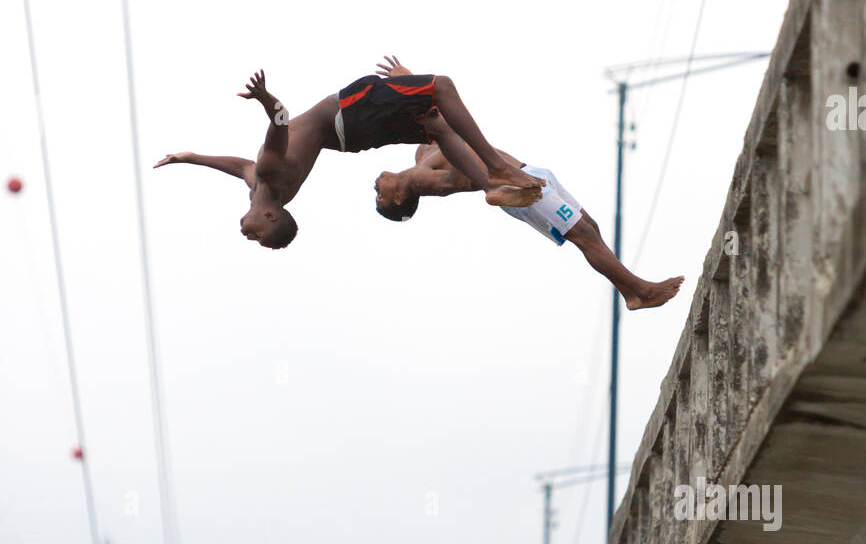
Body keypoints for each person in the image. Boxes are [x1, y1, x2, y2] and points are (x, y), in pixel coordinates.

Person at [374, 67, 683, 311]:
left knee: (591, 227)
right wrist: (460, 148)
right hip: (516, 188)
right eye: (381, 196)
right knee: (583, 235)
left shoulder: (419, 158)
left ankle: (628, 291)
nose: (376, 187)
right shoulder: (420, 181)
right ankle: (642, 292)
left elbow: (429, 118)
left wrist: (408, 79)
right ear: (400, 198)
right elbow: (459, 179)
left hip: (526, 172)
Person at [153, 62, 544, 248]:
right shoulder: (271, 175)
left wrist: (192, 158)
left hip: (353, 136)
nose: (247, 234)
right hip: (350, 114)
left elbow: (238, 166)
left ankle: (488, 185)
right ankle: (494, 170)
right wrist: (265, 99)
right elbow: (282, 122)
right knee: (441, 87)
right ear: (271, 215)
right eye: (257, 234)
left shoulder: (260, 187)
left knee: (435, 122)